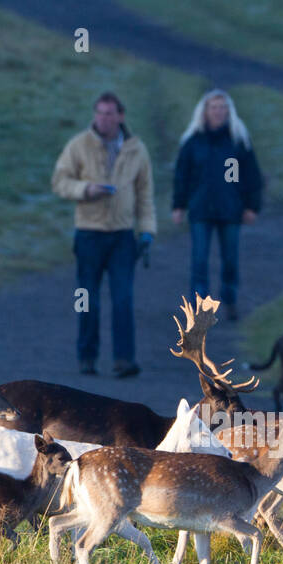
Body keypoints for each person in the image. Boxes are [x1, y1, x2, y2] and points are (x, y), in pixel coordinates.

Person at [52, 91, 156, 377]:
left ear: (120, 116)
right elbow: (60, 181)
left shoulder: (137, 149)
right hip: (89, 233)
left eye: (109, 113)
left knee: (123, 299)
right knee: (88, 298)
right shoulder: (78, 145)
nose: (103, 118)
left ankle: (124, 360)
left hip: (123, 235)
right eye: (99, 112)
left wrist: (147, 230)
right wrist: (86, 190)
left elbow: (145, 193)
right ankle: (87, 356)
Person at [171, 89, 263, 323]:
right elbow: (182, 174)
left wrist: (252, 205)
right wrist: (179, 205)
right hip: (201, 208)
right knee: (199, 259)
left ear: (229, 111)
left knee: (230, 258)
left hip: (231, 209)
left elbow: (252, 175)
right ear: (205, 111)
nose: (218, 112)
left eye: (223, 107)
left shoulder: (238, 141)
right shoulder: (193, 142)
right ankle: (199, 307)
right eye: (214, 107)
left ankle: (229, 298)